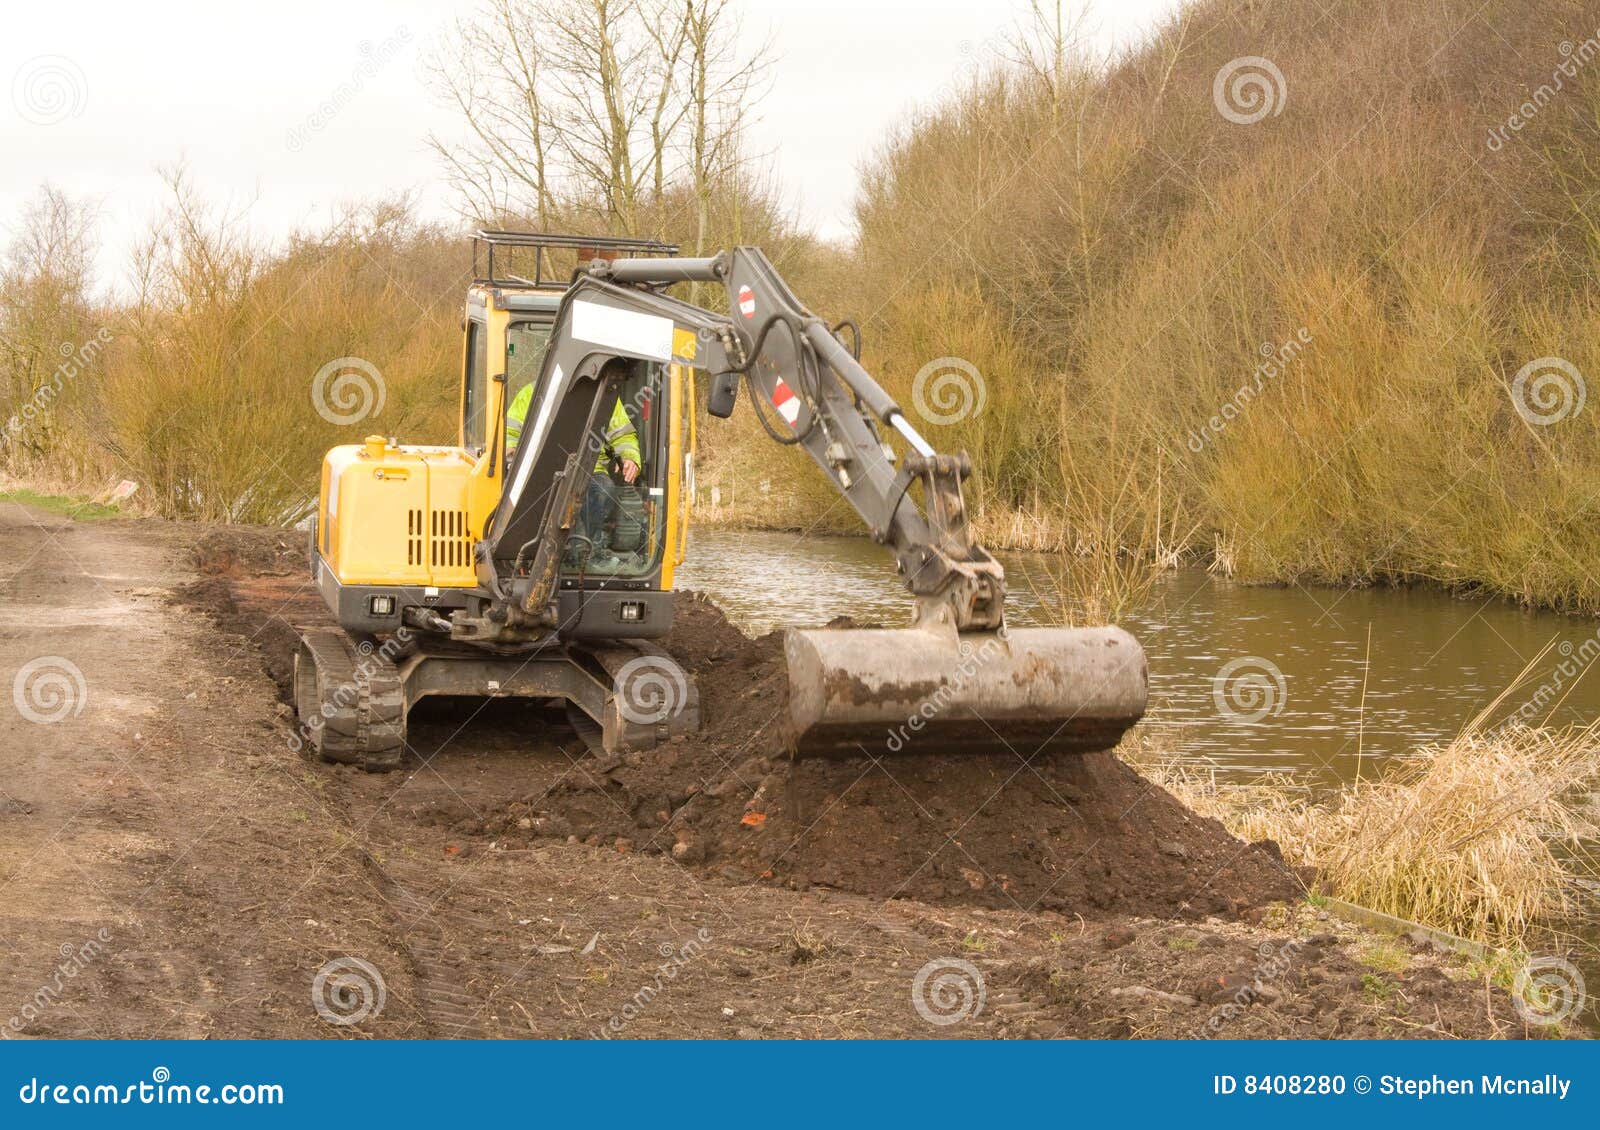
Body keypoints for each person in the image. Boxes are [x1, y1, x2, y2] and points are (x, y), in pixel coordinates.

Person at [505, 385, 640, 564]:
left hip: (590, 468)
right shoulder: (533, 392)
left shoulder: (605, 395)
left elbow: (623, 436)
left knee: (601, 490)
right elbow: (510, 432)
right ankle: (543, 553)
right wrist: (510, 449)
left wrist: (630, 457)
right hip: (542, 469)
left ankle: (589, 551)